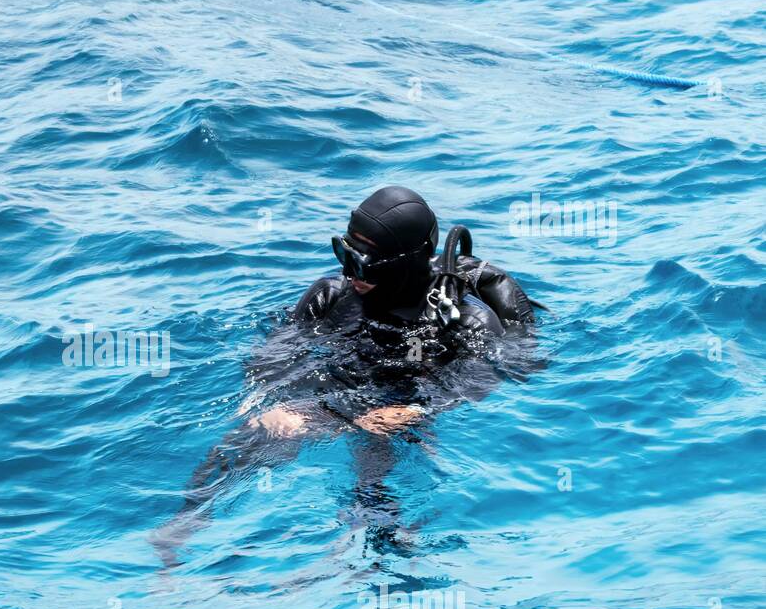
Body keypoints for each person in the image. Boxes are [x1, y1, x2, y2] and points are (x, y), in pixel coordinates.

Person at [153, 185, 540, 569]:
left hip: (405, 398)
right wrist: (267, 398)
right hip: (337, 387)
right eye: (344, 253)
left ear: (403, 263)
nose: (347, 272)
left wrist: (420, 409)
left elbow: (480, 379)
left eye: (362, 263)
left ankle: (371, 543)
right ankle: (185, 523)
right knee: (260, 429)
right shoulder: (331, 296)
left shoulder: (464, 319)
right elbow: (276, 357)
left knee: (378, 452)